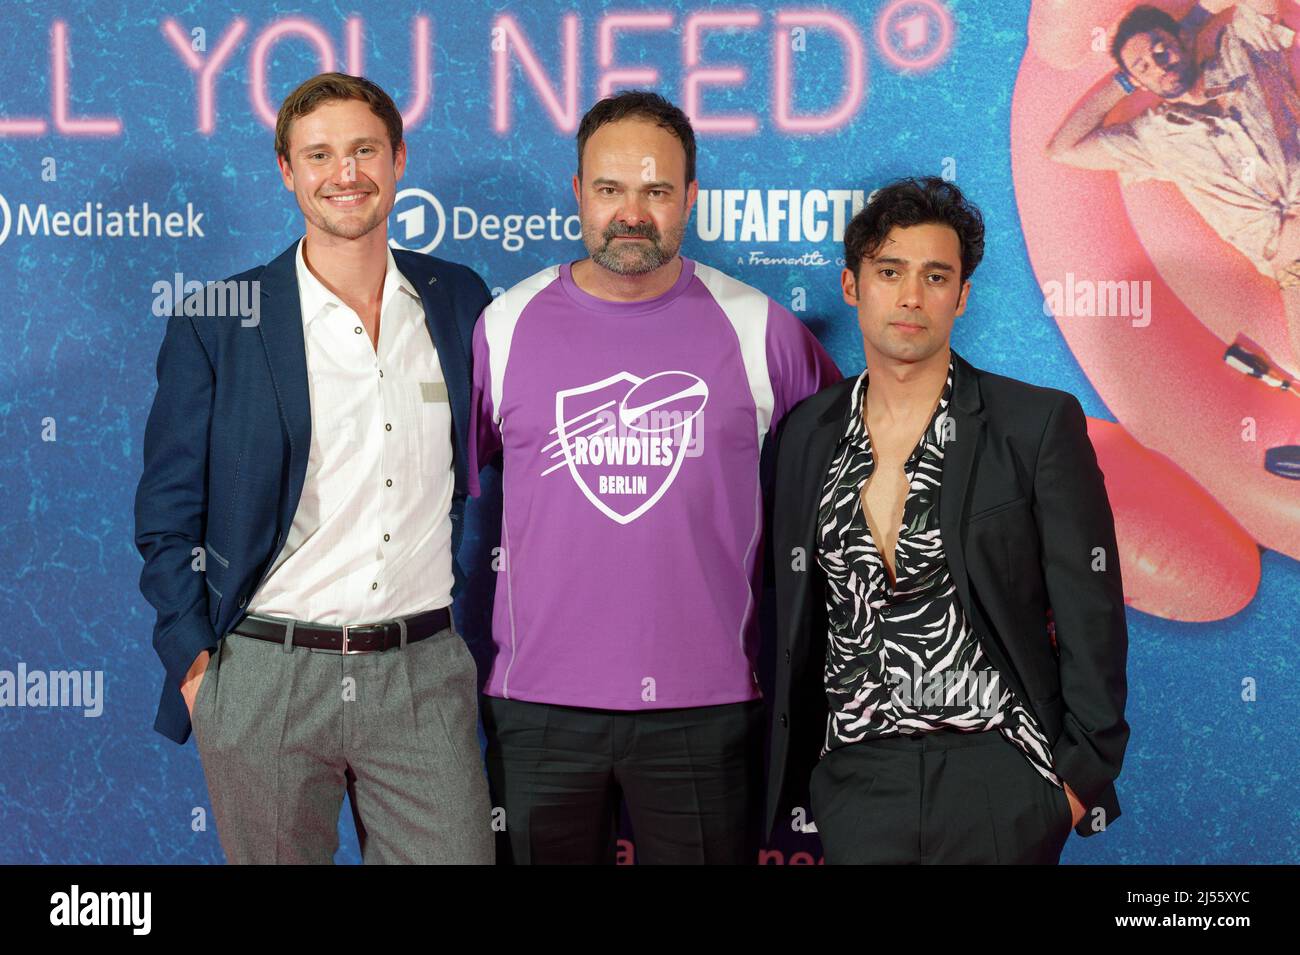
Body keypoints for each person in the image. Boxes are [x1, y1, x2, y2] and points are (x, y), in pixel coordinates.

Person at [469, 90, 841, 864]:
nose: (631, 212)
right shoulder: (504, 326)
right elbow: (437, 486)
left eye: (655, 190)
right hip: (539, 707)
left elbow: (845, 471)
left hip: (705, 711)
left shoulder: (761, 328)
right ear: (577, 194)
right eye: (610, 189)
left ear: (689, 198)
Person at [134, 73, 493, 864]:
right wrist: (200, 669)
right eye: (320, 154)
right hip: (268, 676)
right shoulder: (220, 319)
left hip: (421, 671)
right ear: (286, 170)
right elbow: (165, 513)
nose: (346, 173)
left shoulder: (459, 297)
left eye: (365, 149)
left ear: (398, 159)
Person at [765, 177, 1130, 864]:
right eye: (889, 271)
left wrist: (1077, 778)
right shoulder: (805, 434)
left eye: (935, 276)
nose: (910, 296)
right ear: (852, 286)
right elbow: (785, 609)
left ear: (961, 296)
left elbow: (1092, 614)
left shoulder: (1034, 424)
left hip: (1001, 772)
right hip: (855, 778)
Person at [1046, 0, 1300, 367]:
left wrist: (1197, 19)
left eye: (1160, 49)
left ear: (1182, 39)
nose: (1159, 65)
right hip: (1291, 265)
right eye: (1143, 67)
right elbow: (1062, 148)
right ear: (1138, 81)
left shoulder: (1238, 49)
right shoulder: (1155, 139)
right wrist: (1121, 82)